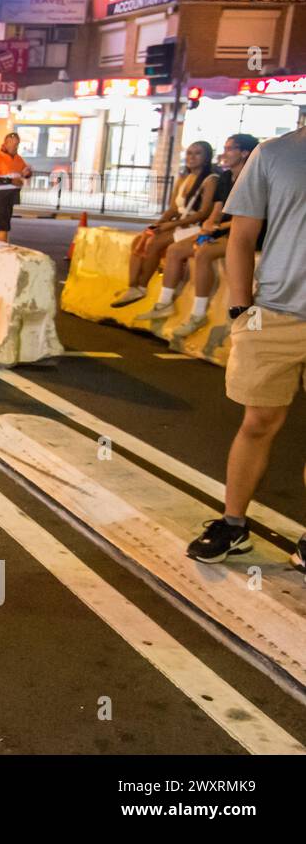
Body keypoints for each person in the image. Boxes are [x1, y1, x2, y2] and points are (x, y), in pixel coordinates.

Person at [187, 126, 306, 566]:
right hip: (274, 312)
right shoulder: (274, 154)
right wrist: (241, 311)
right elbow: (240, 237)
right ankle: (233, 525)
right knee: (258, 421)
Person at [144, 134, 259, 328]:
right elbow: (216, 210)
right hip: (221, 230)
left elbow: (251, 220)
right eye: (225, 147)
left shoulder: (253, 179)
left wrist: (216, 228)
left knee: (204, 253)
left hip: (243, 234)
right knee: (175, 250)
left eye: (230, 148)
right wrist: (209, 226)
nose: (225, 153)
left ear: (245, 152)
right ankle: (163, 303)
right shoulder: (225, 177)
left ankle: (199, 315)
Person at [111, 141, 218, 308]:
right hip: (180, 223)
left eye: (197, 153)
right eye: (189, 153)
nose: (191, 157)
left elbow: (203, 213)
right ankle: (132, 285)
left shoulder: (210, 180)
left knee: (155, 243)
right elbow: (174, 208)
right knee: (141, 239)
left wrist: (170, 225)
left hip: (196, 226)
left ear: (206, 158)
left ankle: (142, 286)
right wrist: (158, 223)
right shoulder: (184, 178)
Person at [0, 132, 31, 243]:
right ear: (7, 143)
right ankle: (1, 253)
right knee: (2, 228)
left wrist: (28, 173)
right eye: (15, 144)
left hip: (11, 197)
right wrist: (11, 181)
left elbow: (24, 173)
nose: (16, 147)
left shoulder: (18, 159)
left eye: (18, 144)